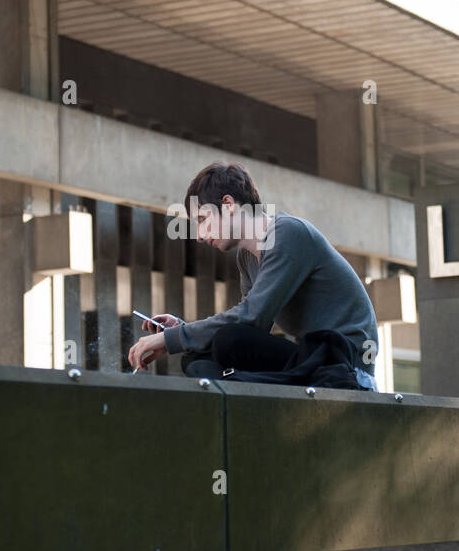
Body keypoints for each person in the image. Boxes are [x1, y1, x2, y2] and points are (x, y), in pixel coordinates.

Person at [127, 162, 379, 390]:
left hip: (345, 367)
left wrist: (171, 338)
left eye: (203, 219)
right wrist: (182, 330)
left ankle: (240, 396)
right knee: (197, 358)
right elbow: (251, 331)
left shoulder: (287, 234)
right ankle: (235, 401)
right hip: (311, 360)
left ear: (228, 205)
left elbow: (250, 320)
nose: (200, 235)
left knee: (228, 340)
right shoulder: (246, 258)